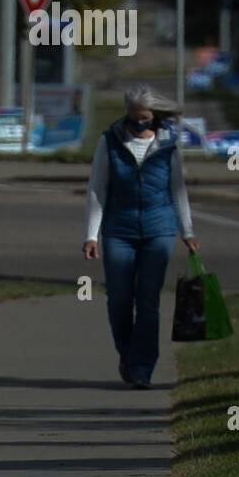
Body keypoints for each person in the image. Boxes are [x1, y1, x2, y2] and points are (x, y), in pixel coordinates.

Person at [82, 86, 199, 388]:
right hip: (118, 230)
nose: (139, 124)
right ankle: (128, 353)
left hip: (159, 229)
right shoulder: (110, 142)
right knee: (119, 298)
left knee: (148, 301)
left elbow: (178, 190)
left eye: (145, 118)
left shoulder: (168, 145)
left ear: (155, 116)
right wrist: (91, 235)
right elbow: (98, 188)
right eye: (134, 118)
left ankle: (142, 368)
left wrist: (187, 231)